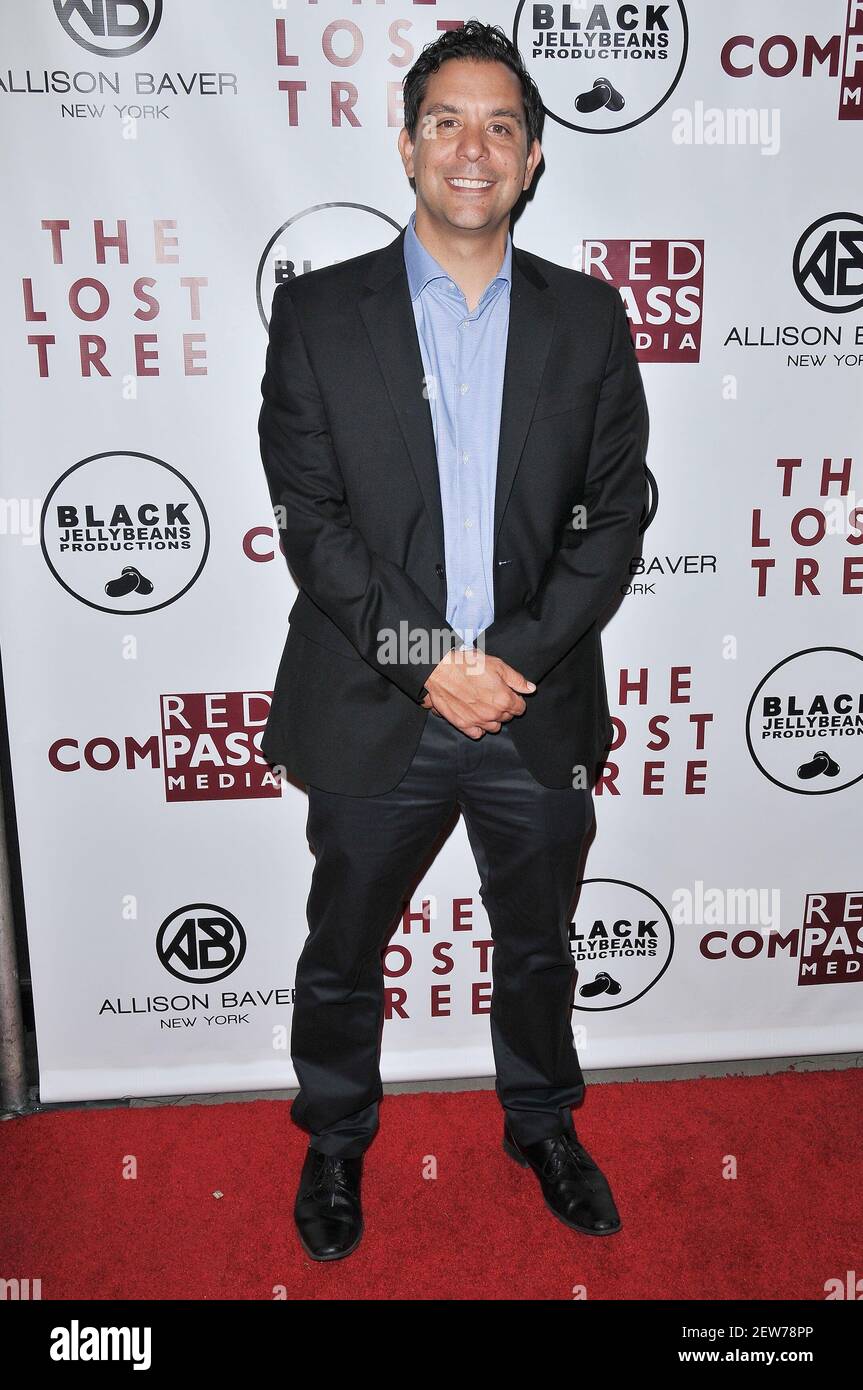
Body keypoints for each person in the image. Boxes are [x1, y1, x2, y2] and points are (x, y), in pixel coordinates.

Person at [258, 19, 649, 1262]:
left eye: (499, 125)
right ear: (406, 144)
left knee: (538, 943)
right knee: (343, 945)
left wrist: (506, 663)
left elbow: (611, 517)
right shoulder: (319, 314)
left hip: (532, 704)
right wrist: (434, 659)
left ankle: (540, 1122)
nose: (470, 148)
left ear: (531, 157)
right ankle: (333, 1135)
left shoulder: (587, 322)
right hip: (378, 702)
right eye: (446, 122)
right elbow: (310, 521)